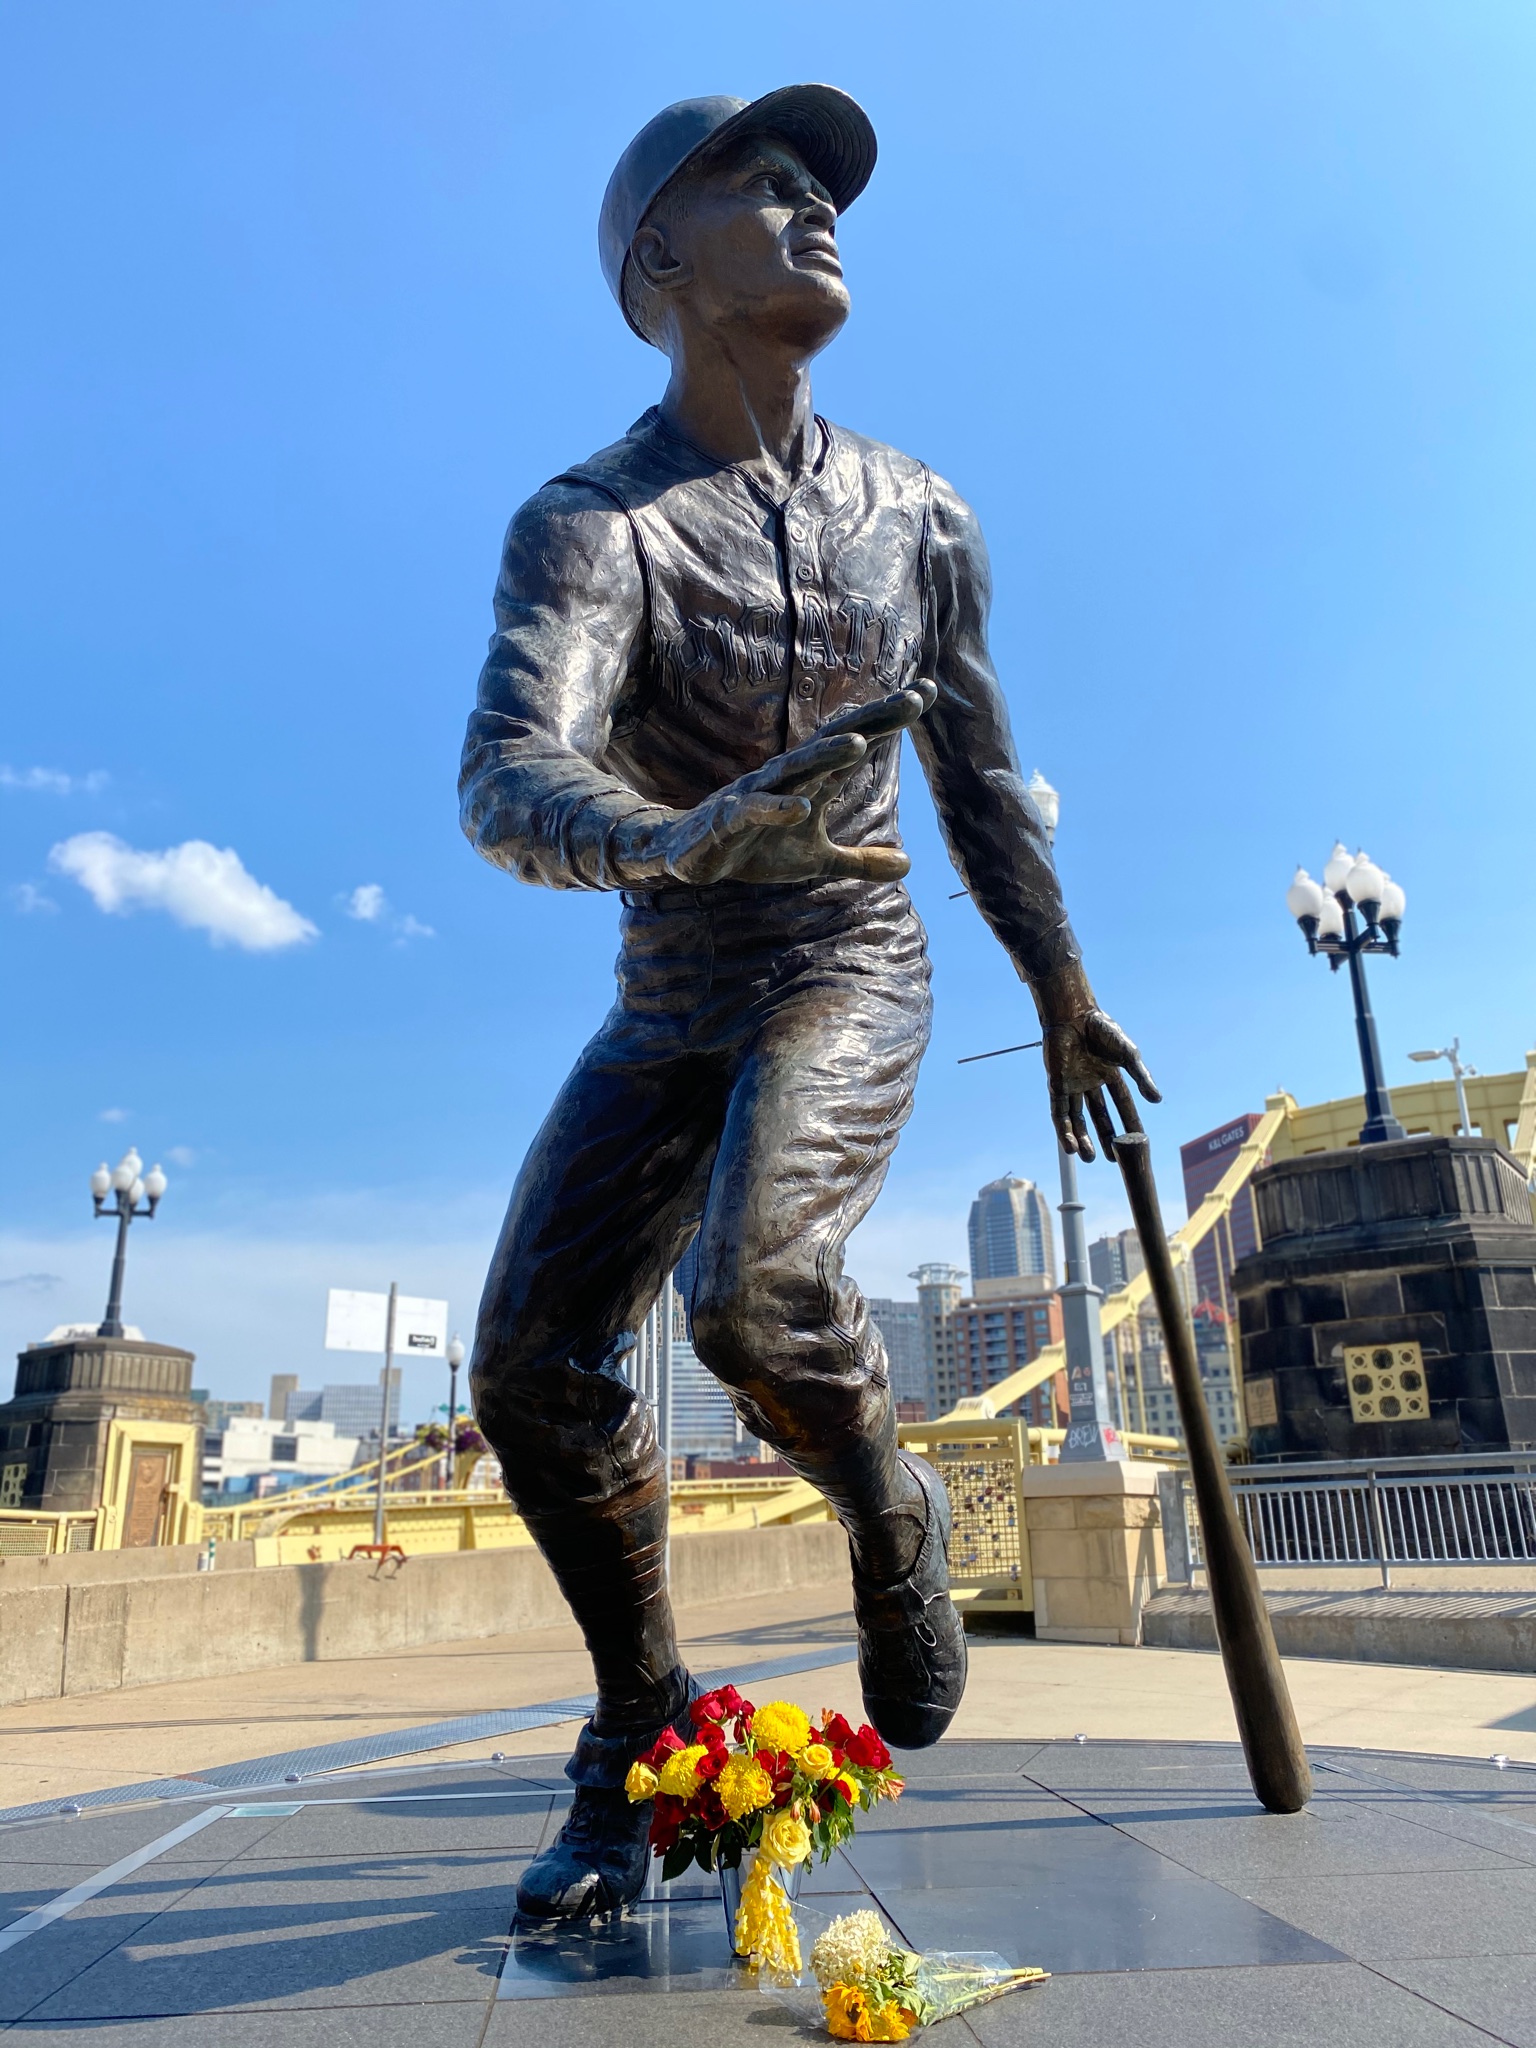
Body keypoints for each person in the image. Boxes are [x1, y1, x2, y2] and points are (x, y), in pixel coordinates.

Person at [459, 85, 1158, 1919]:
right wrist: (678, 840)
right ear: (660, 263)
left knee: (757, 1294)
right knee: (529, 1367)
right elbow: (511, 773)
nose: (811, 207)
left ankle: (894, 1510)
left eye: (819, 184)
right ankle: (639, 1731)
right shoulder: (593, 524)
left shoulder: (920, 517)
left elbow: (984, 785)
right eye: (758, 187)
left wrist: (1062, 993)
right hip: (674, 971)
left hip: (849, 953)